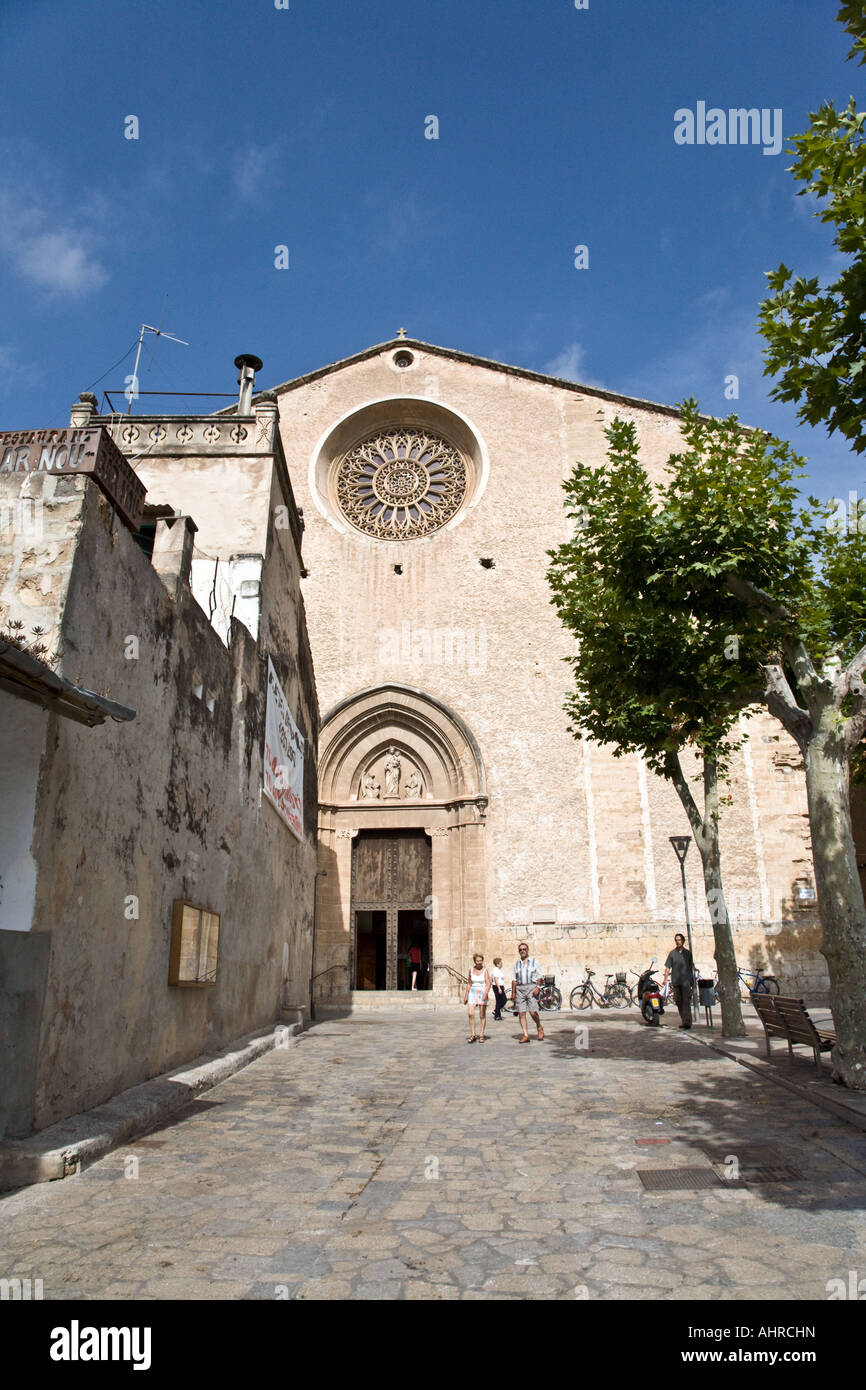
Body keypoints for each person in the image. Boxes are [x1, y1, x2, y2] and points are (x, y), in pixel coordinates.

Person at [511, 941, 544, 1043]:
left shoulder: (534, 962)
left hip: (531, 988)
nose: (522, 951)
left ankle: (539, 1026)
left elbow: (540, 976)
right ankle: (525, 1035)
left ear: (527, 950)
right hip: (520, 989)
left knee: (533, 1012)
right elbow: (514, 979)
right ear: (518, 951)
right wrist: (513, 993)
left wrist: (537, 987)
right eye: (520, 950)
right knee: (521, 1013)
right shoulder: (516, 964)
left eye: (524, 949)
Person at [662, 933, 694, 1030]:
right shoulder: (672, 954)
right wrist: (665, 979)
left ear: (683, 941)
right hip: (676, 981)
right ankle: (684, 1020)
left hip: (686, 982)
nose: (678, 941)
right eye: (676, 940)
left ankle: (687, 1022)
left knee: (686, 1001)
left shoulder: (688, 953)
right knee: (679, 1002)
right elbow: (668, 967)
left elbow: (690, 967)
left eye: (679, 940)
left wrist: (691, 980)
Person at [463, 953, 491, 1042]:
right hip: (473, 992)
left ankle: (481, 1034)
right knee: (470, 1013)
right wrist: (466, 995)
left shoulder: (485, 970)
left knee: (482, 1014)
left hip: (482, 992)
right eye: (477, 961)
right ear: (474, 961)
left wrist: (486, 993)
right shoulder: (471, 970)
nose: (479, 962)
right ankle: (473, 1034)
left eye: (480, 960)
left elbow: (488, 983)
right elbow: (469, 983)